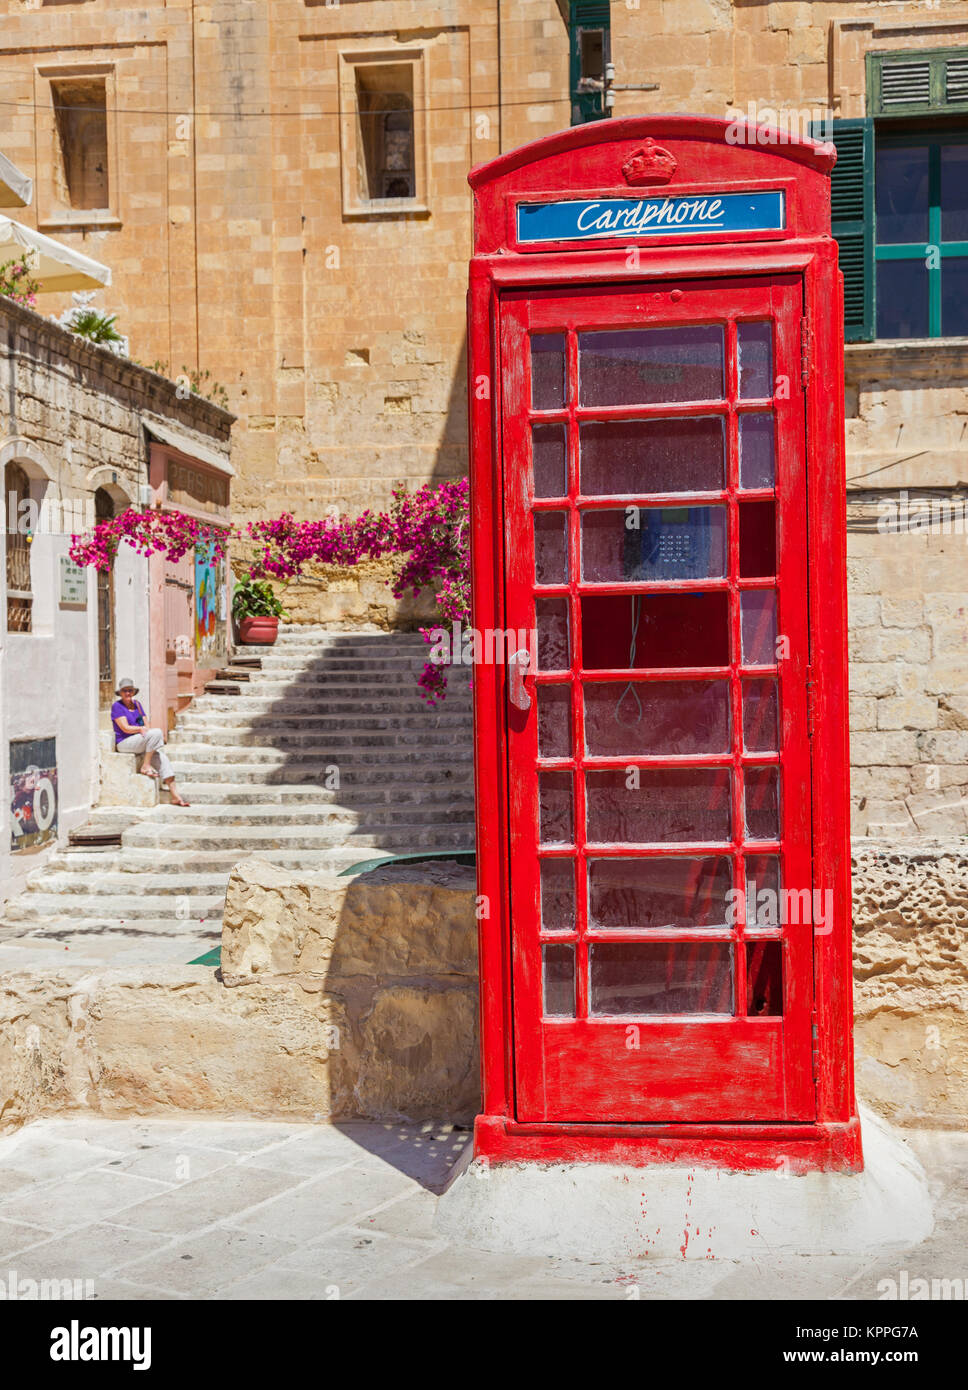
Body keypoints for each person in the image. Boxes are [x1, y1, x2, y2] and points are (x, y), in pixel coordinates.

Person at [111, 679, 190, 807]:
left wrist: (144, 731)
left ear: (134, 692)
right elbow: (125, 728)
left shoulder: (137, 704)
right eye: (125, 691)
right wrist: (140, 729)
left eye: (130, 690)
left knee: (163, 758)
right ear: (120, 693)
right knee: (157, 733)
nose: (128, 693)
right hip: (125, 742)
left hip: (139, 740)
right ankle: (146, 765)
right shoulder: (117, 706)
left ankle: (175, 796)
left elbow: (146, 724)